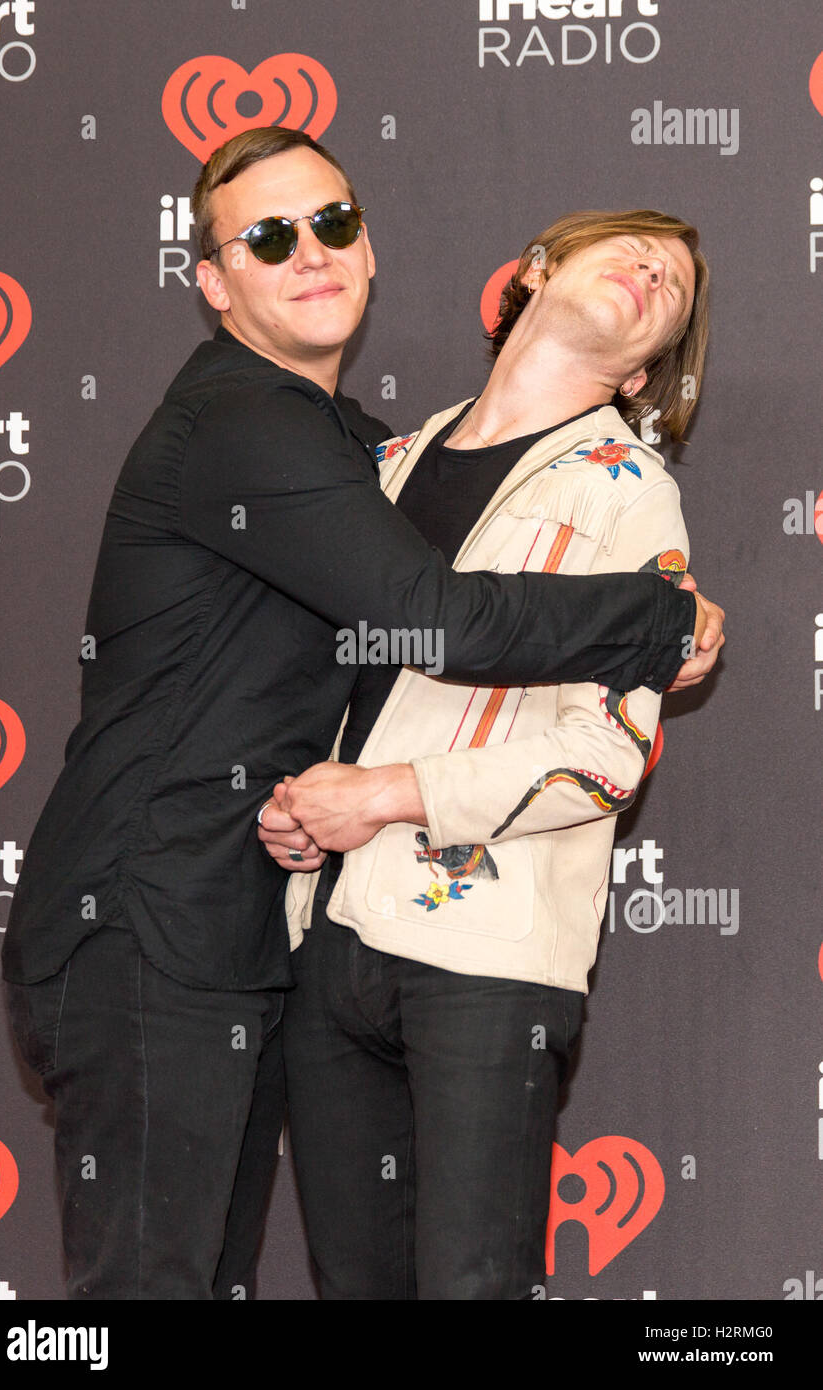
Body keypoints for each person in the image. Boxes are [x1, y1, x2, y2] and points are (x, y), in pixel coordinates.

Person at [2, 126, 722, 1301]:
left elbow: (371, 698)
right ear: (215, 284)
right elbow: (429, 616)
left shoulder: (368, 454)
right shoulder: (248, 422)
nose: (310, 252)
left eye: (333, 223)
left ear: (370, 247)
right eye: (267, 237)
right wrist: (655, 618)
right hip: (144, 924)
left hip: (253, 937)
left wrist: (326, 805)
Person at [263, 208, 717, 1299]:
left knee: (474, 1283)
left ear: (645, 372)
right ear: (536, 269)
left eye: (673, 285)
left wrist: (388, 794)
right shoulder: (384, 460)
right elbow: (332, 677)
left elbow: (609, 748)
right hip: (326, 930)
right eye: (630, 247)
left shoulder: (630, 492)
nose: (654, 269)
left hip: (488, 950)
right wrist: (295, 799)